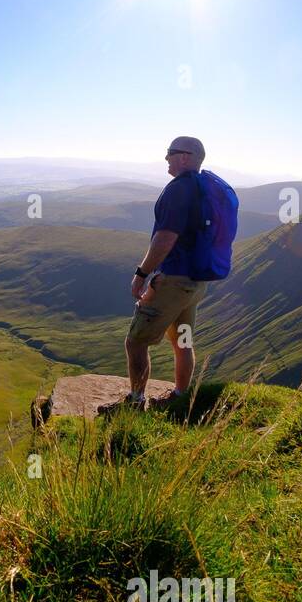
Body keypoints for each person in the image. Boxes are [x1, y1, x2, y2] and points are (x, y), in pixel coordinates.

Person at [124, 135, 211, 408]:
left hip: (173, 280)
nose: (166, 158)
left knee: (136, 341)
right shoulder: (204, 187)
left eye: (170, 152)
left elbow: (165, 238)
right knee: (183, 340)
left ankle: (136, 402)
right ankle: (181, 396)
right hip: (195, 282)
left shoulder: (178, 189)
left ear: (185, 157)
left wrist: (141, 274)